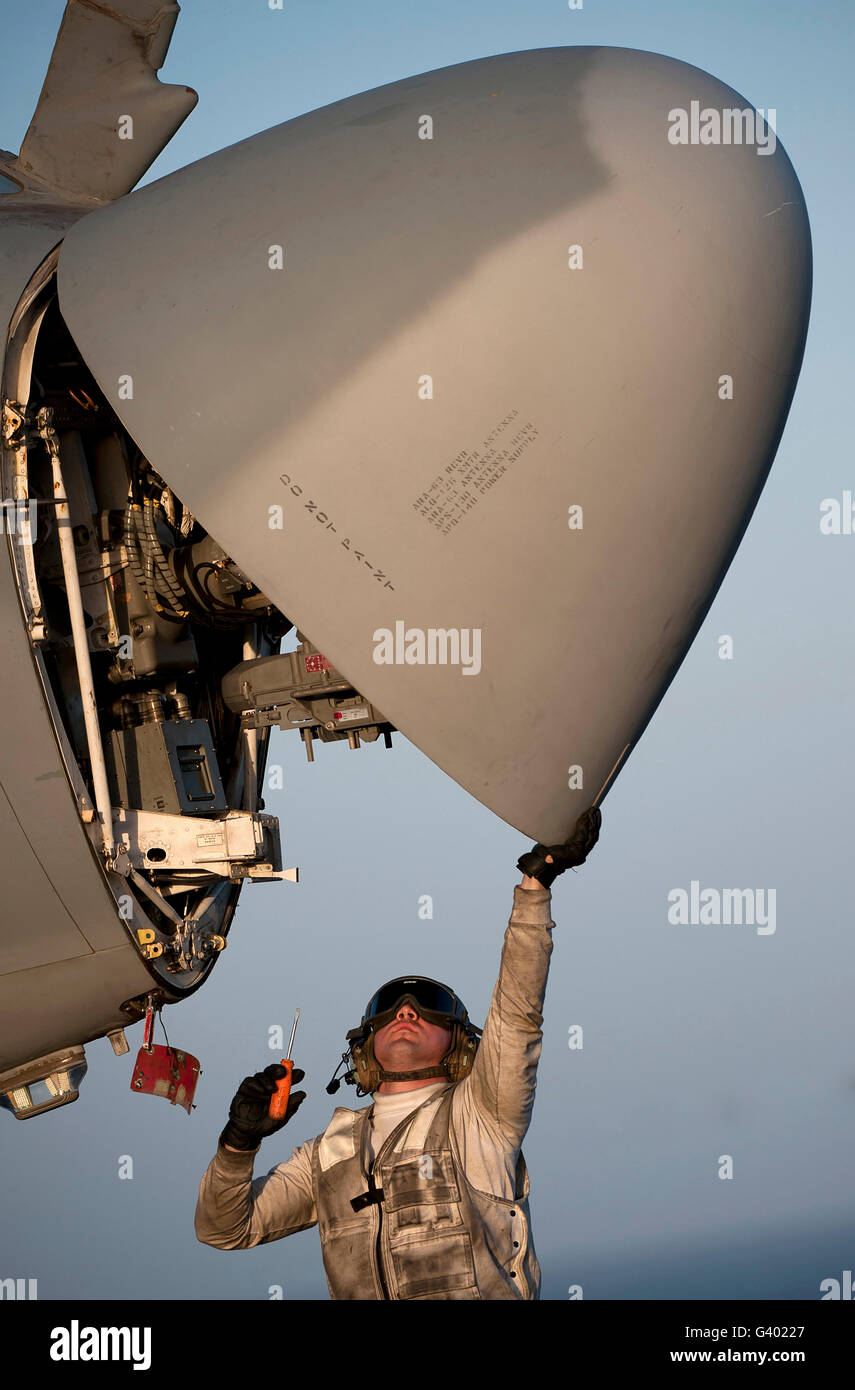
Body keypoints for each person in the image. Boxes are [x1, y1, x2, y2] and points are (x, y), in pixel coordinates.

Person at [194, 809, 601, 1299]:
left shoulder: (483, 1116)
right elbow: (223, 1229)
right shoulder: (331, 1151)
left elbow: (517, 1015)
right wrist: (237, 1145)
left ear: (459, 1041)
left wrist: (534, 890)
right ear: (366, 1043)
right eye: (389, 1007)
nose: (406, 1012)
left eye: (429, 1007)